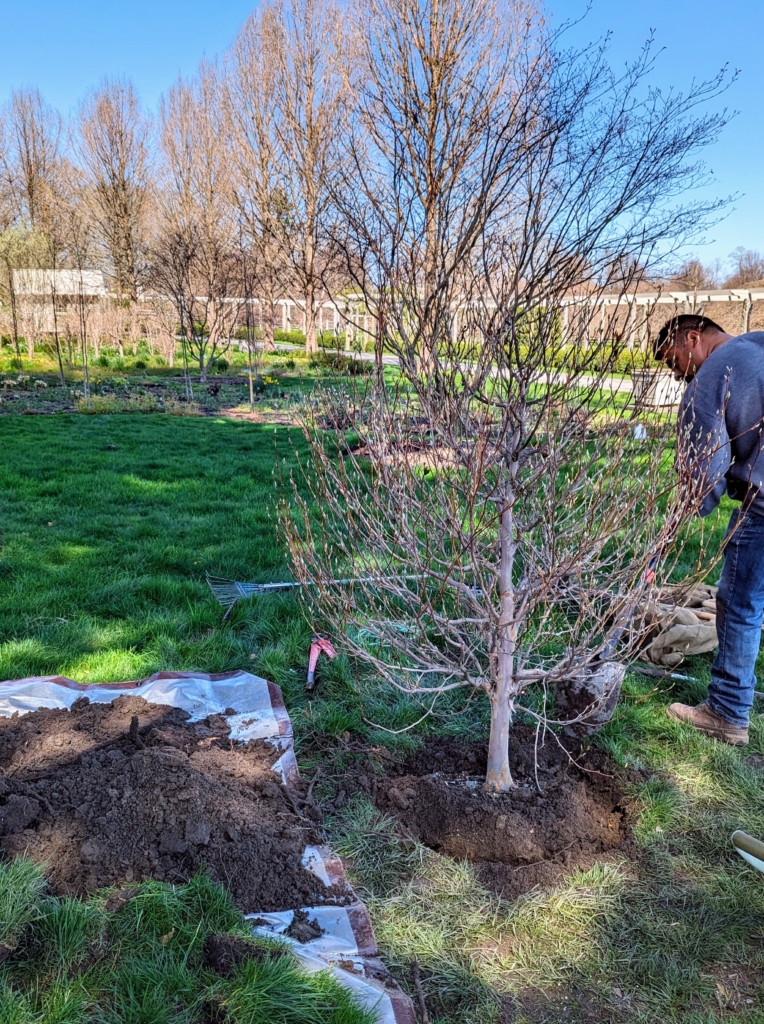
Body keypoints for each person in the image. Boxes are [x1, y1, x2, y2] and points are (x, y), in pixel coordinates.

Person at [653, 314, 764, 745]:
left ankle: (728, 712)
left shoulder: (711, 376)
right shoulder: (756, 344)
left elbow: (705, 474)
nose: (675, 373)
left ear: (694, 339)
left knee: (739, 601)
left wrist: (669, 531)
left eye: (672, 360)